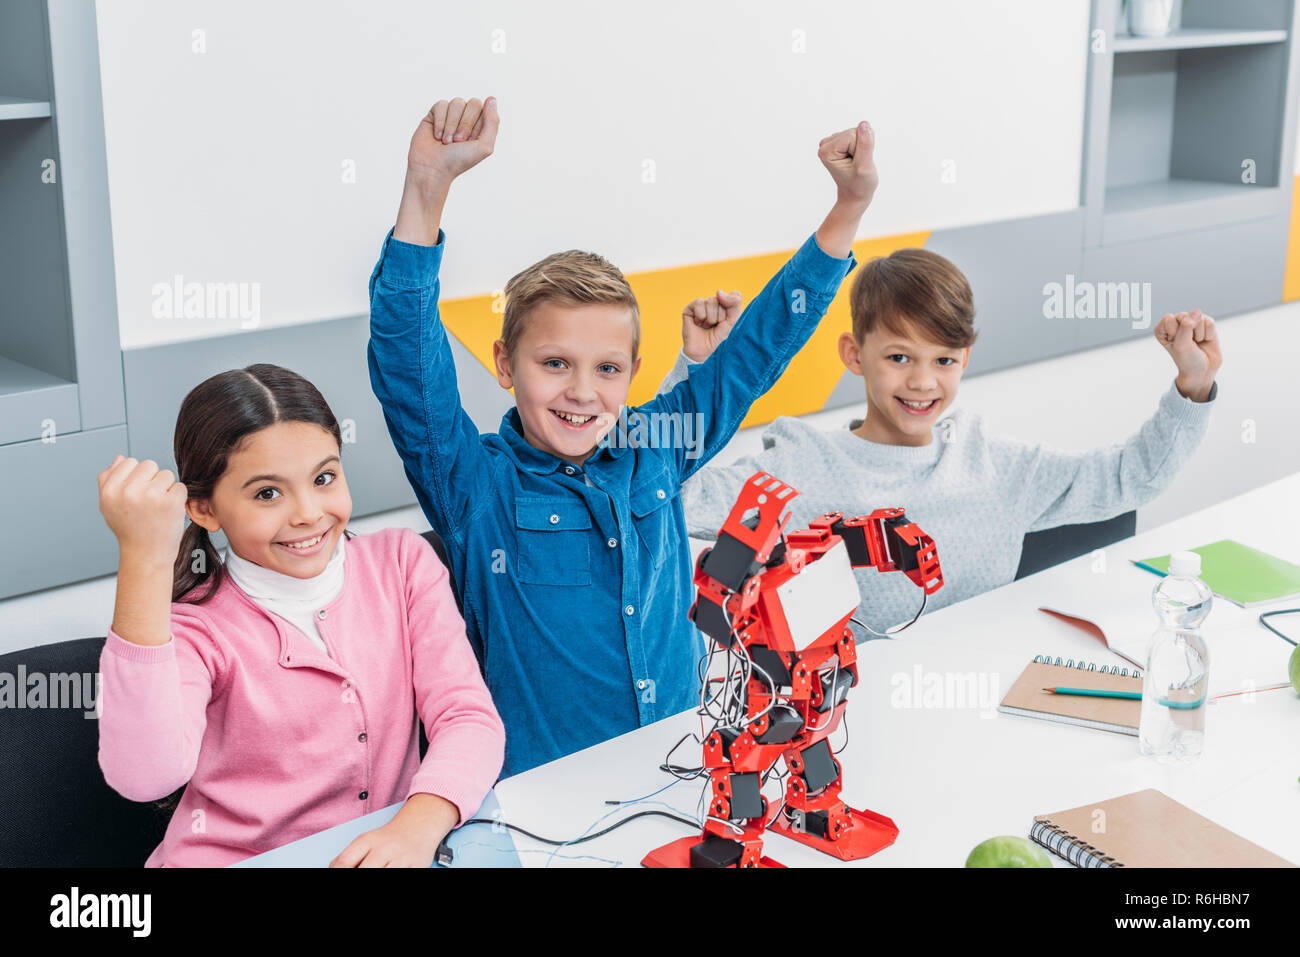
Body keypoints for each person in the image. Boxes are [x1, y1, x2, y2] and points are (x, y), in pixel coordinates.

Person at [367, 95, 876, 774]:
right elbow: (408, 364)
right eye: (554, 364)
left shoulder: (657, 443)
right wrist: (426, 193)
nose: (581, 391)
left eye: (606, 368)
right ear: (503, 365)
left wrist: (847, 208)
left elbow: (756, 353)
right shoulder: (474, 486)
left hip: (684, 772)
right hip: (544, 805)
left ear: (634, 372)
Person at [660, 246, 1222, 634]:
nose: (923, 382)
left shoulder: (995, 465)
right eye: (899, 357)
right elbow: (671, 495)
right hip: (854, 730)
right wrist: (700, 375)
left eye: (943, 360)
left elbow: (1132, 478)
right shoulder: (803, 467)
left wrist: (1193, 385)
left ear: (965, 360)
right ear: (855, 355)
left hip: (988, 706)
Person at [95, 363, 503, 866]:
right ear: (204, 510)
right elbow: (144, 777)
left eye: (324, 477)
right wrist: (141, 557)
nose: (308, 512)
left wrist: (417, 825)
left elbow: (467, 718)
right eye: (268, 493)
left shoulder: (401, 564)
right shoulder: (194, 627)